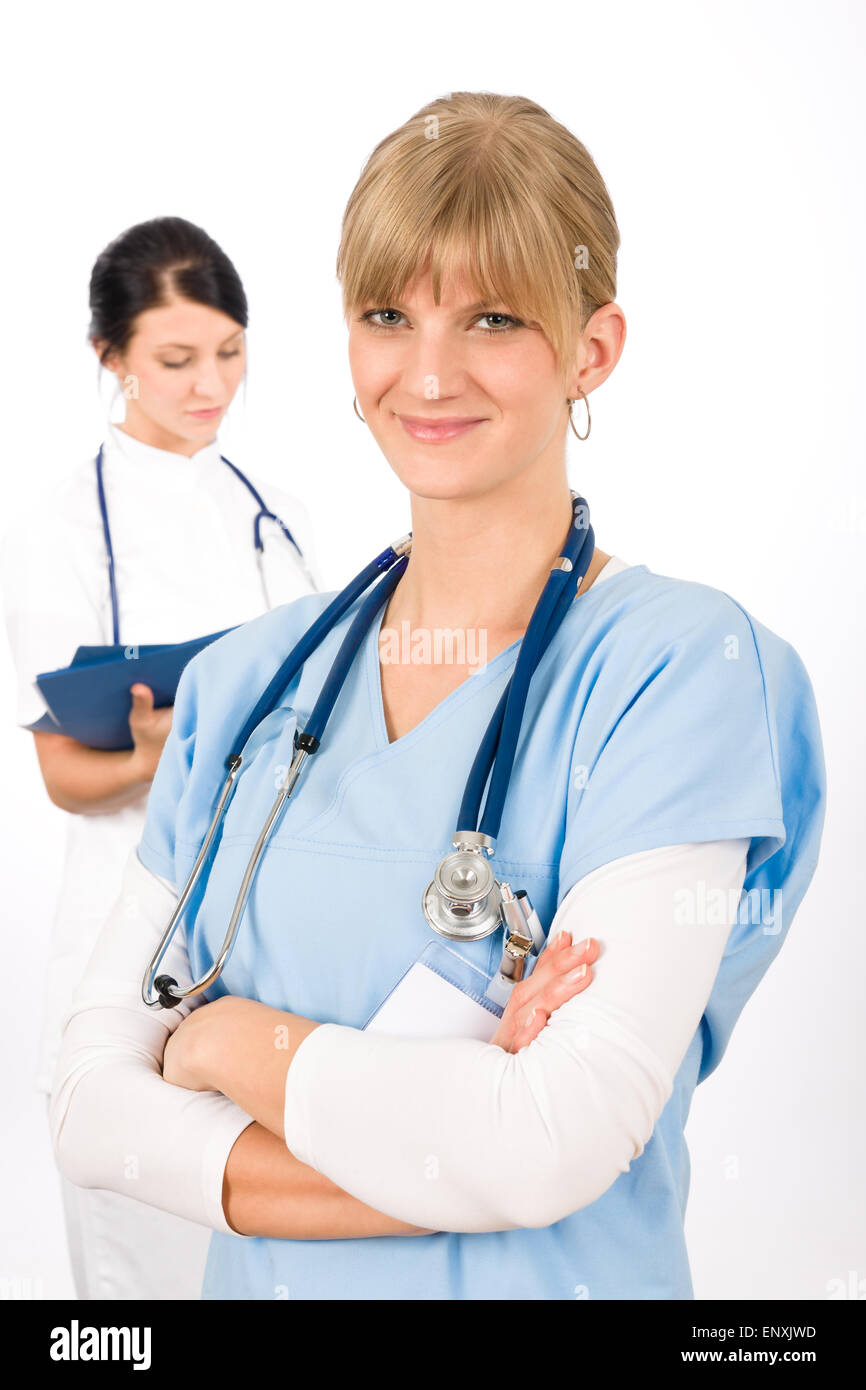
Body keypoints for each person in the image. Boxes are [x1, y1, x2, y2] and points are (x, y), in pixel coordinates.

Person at [49, 93, 825, 1300]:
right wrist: (445, 1138)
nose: (427, 371)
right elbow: (94, 1108)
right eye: (385, 315)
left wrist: (217, 1043)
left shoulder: (680, 675)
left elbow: (552, 1140)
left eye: (494, 317)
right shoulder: (250, 682)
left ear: (592, 349)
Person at [0, 215, 323, 1300]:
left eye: (229, 353)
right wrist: (165, 755)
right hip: (126, 924)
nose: (210, 384)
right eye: (177, 361)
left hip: (264, 928)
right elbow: (63, 776)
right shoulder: (61, 527)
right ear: (112, 358)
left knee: (261, 1227)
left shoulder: (264, 518)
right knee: (138, 1252)